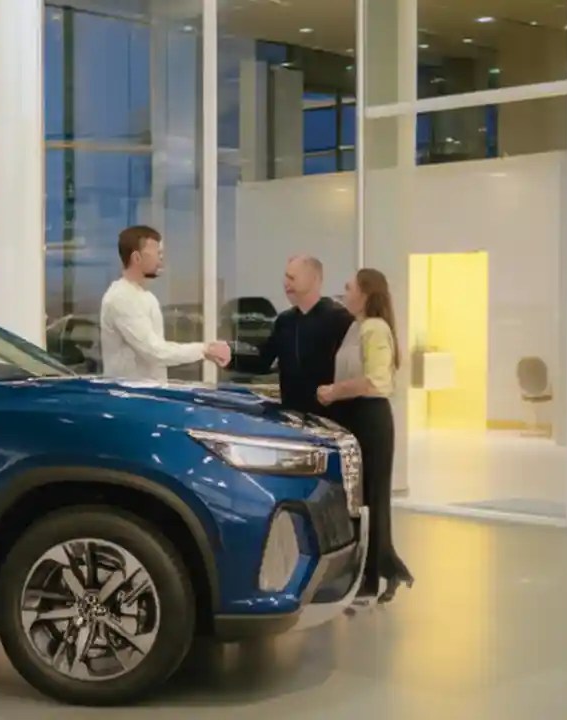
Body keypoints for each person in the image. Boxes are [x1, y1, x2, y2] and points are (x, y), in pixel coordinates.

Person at [317, 268, 414, 604]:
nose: (343, 292)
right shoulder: (356, 328)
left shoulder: (374, 329)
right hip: (353, 417)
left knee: (371, 498)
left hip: (370, 418)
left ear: (365, 293)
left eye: (349, 287)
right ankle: (378, 568)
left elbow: (375, 381)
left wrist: (333, 391)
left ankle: (373, 575)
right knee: (358, 498)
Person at [213, 256, 353, 416]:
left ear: (314, 279)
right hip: (292, 416)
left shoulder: (340, 319)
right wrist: (230, 356)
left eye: (292, 278)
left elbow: (356, 371)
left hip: (332, 419)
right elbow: (263, 360)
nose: (286, 283)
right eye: (285, 278)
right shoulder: (285, 321)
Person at [99, 225, 225, 381]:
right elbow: (154, 352)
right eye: (157, 253)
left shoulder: (145, 296)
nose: (161, 258)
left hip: (147, 397)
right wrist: (205, 350)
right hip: (129, 399)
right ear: (136, 258)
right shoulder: (121, 298)